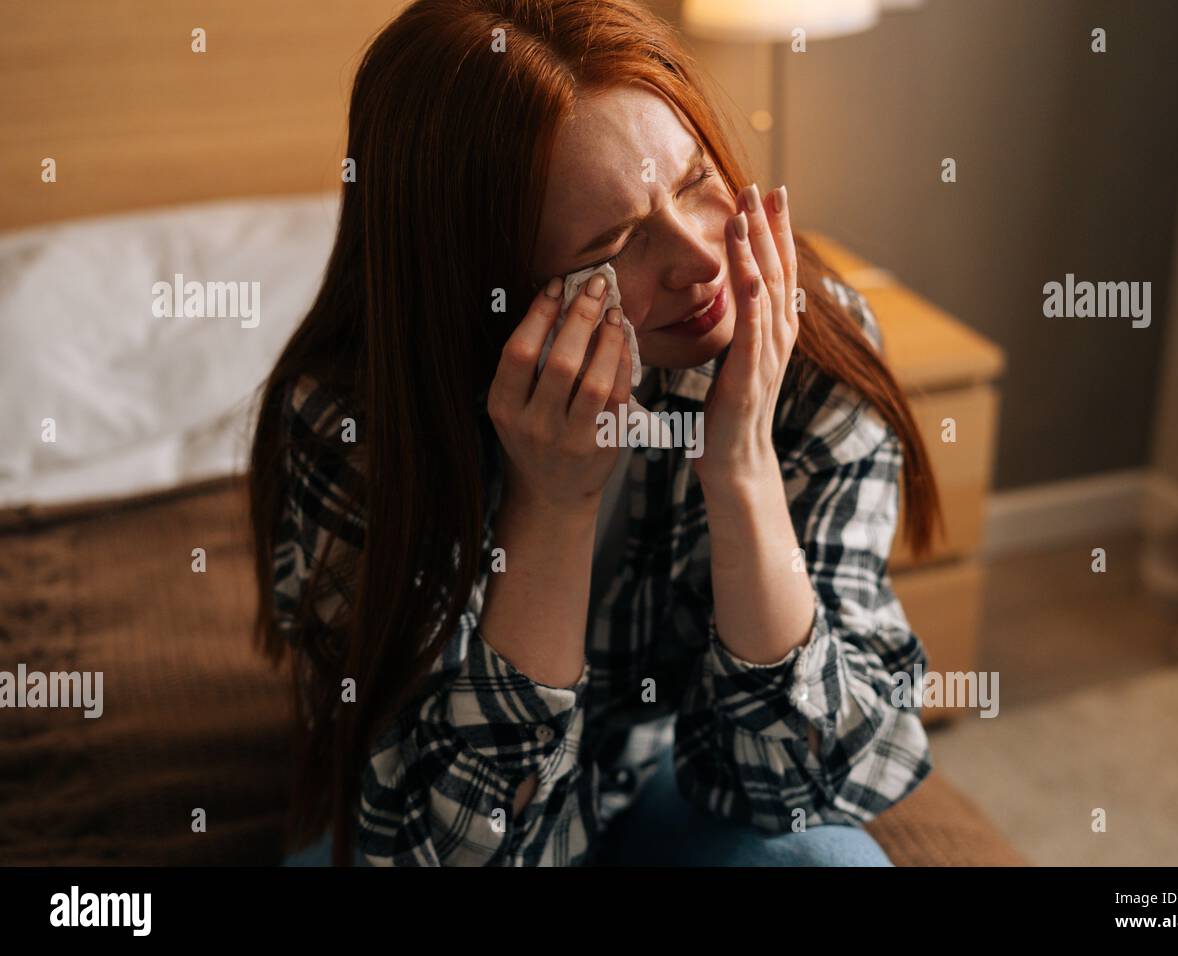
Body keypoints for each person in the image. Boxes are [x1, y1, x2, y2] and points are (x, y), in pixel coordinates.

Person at [252, 0, 944, 867]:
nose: (699, 259)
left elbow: (806, 783)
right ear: (488, 287)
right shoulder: (352, 427)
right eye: (616, 241)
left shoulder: (801, 345)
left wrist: (742, 469)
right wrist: (552, 505)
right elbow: (451, 849)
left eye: (696, 181)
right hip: (444, 807)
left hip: (660, 771)